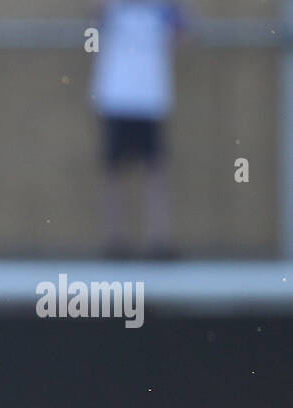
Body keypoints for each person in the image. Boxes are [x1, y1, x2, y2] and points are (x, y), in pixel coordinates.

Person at [90, 0, 189, 259]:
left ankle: (158, 240)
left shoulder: (164, 6)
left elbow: (182, 33)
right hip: (117, 93)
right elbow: (93, 16)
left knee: (155, 170)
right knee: (113, 171)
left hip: (150, 95)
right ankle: (113, 240)